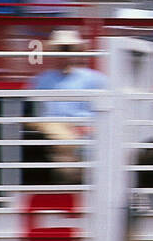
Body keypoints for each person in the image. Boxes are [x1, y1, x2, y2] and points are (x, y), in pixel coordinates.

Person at [27, 29, 107, 183]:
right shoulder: (41, 80)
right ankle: (70, 181)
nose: (64, 54)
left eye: (68, 49)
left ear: (76, 52)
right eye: (60, 49)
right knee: (61, 138)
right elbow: (32, 111)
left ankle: (69, 181)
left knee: (67, 142)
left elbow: (105, 110)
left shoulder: (94, 79)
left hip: (84, 129)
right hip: (53, 129)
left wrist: (90, 127)